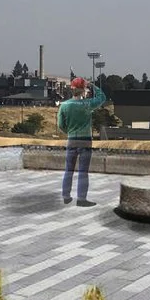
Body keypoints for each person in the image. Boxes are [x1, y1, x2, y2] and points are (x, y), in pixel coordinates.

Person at [59, 76, 110, 206]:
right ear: (83, 90)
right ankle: (81, 199)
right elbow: (102, 97)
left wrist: (69, 132)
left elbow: (61, 125)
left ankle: (66, 196)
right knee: (83, 172)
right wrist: (92, 85)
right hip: (85, 141)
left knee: (68, 170)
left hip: (71, 140)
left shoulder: (64, 106)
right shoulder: (87, 104)